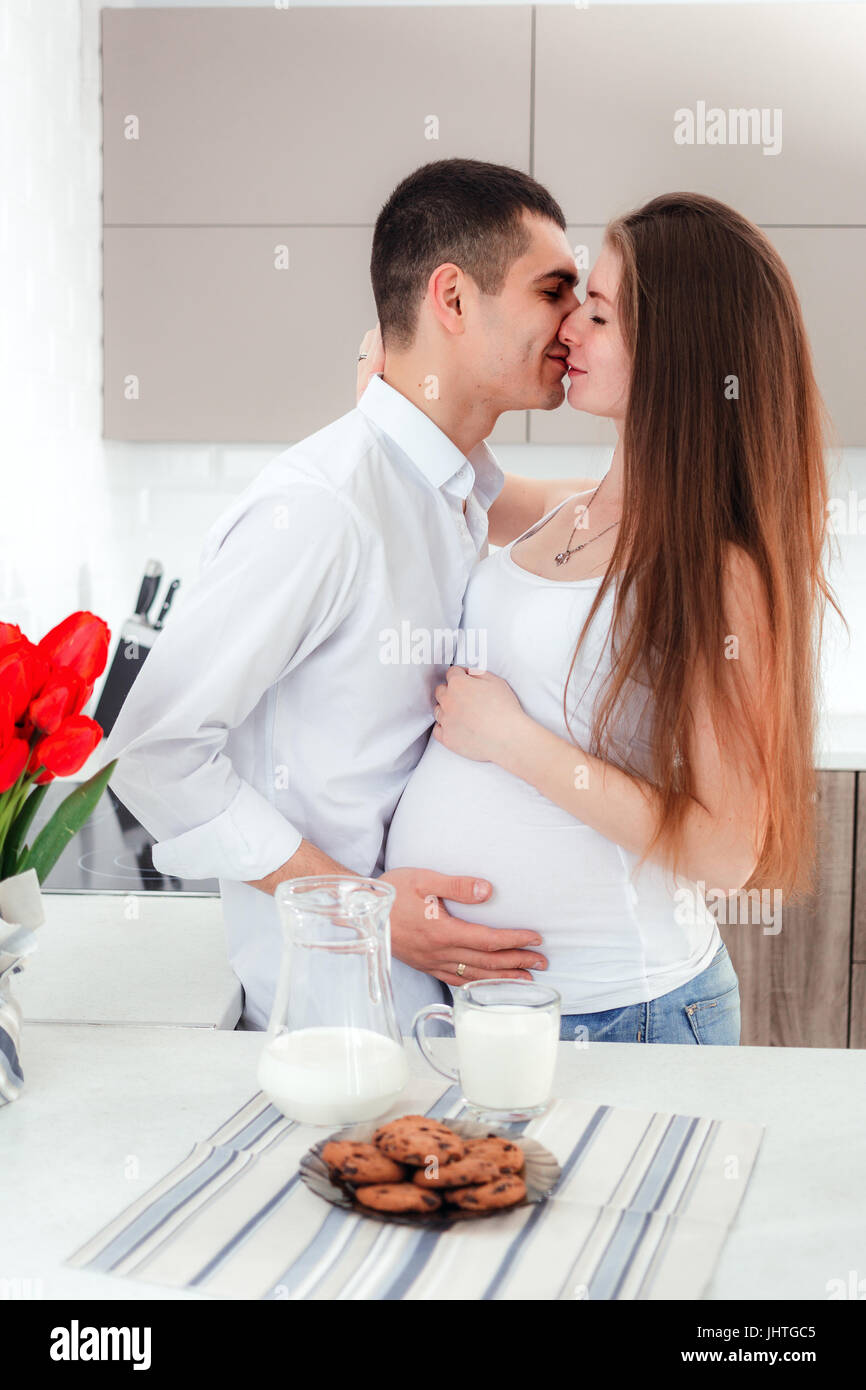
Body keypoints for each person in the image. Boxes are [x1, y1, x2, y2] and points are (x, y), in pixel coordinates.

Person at [100, 158, 585, 1033]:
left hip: (437, 1014)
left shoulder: (454, 491)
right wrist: (361, 906)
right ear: (453, 299)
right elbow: (152, 748)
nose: (575, 320)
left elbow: (595, 512)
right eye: (553, 290)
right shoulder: (322, 507)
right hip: (340, 1020)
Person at [373, 191, 846, 1043]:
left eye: (599, 314)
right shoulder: (569, 507)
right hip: (491, 1014)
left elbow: (727, 854)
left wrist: (512, 741)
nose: (569, 334)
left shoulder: (716, 565)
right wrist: (407, 366)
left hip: (627, 1013)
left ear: (679, 351)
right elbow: (442, 461)